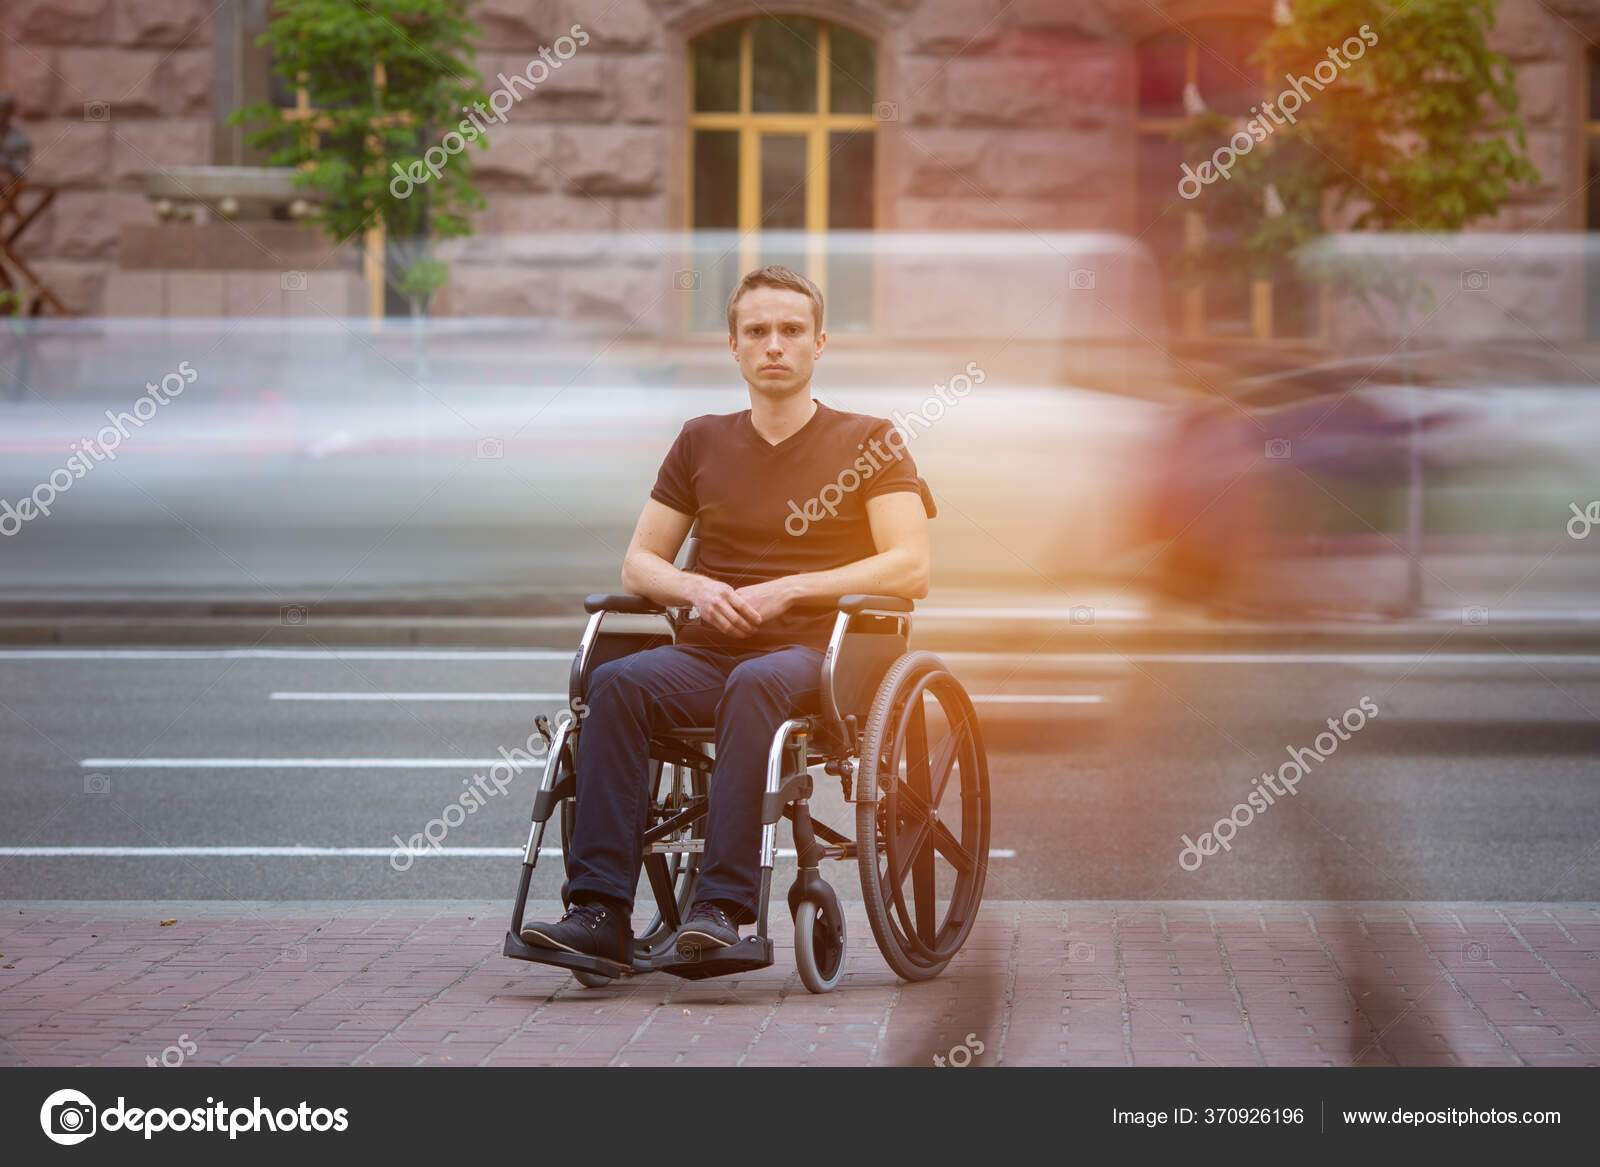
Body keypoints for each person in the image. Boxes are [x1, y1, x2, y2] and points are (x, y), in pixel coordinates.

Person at [519, 265, 930, 971]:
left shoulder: (871, 440)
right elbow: (640, 563)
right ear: (733, 348)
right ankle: (599, 913)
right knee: (617, 683)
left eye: (791, 330)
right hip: (709, 650)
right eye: (758, 331)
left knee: (757, 684)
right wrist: (696, 588)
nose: (775, 344)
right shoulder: (701, 440)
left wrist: (793, 588)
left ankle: (721, 909)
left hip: (820, 656)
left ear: (820, 343)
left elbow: (910, 566)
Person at [0, 94, 31, 182]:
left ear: (10, 112)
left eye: (2, 110)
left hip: (10, 184)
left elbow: (21, 169)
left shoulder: (20, 139)